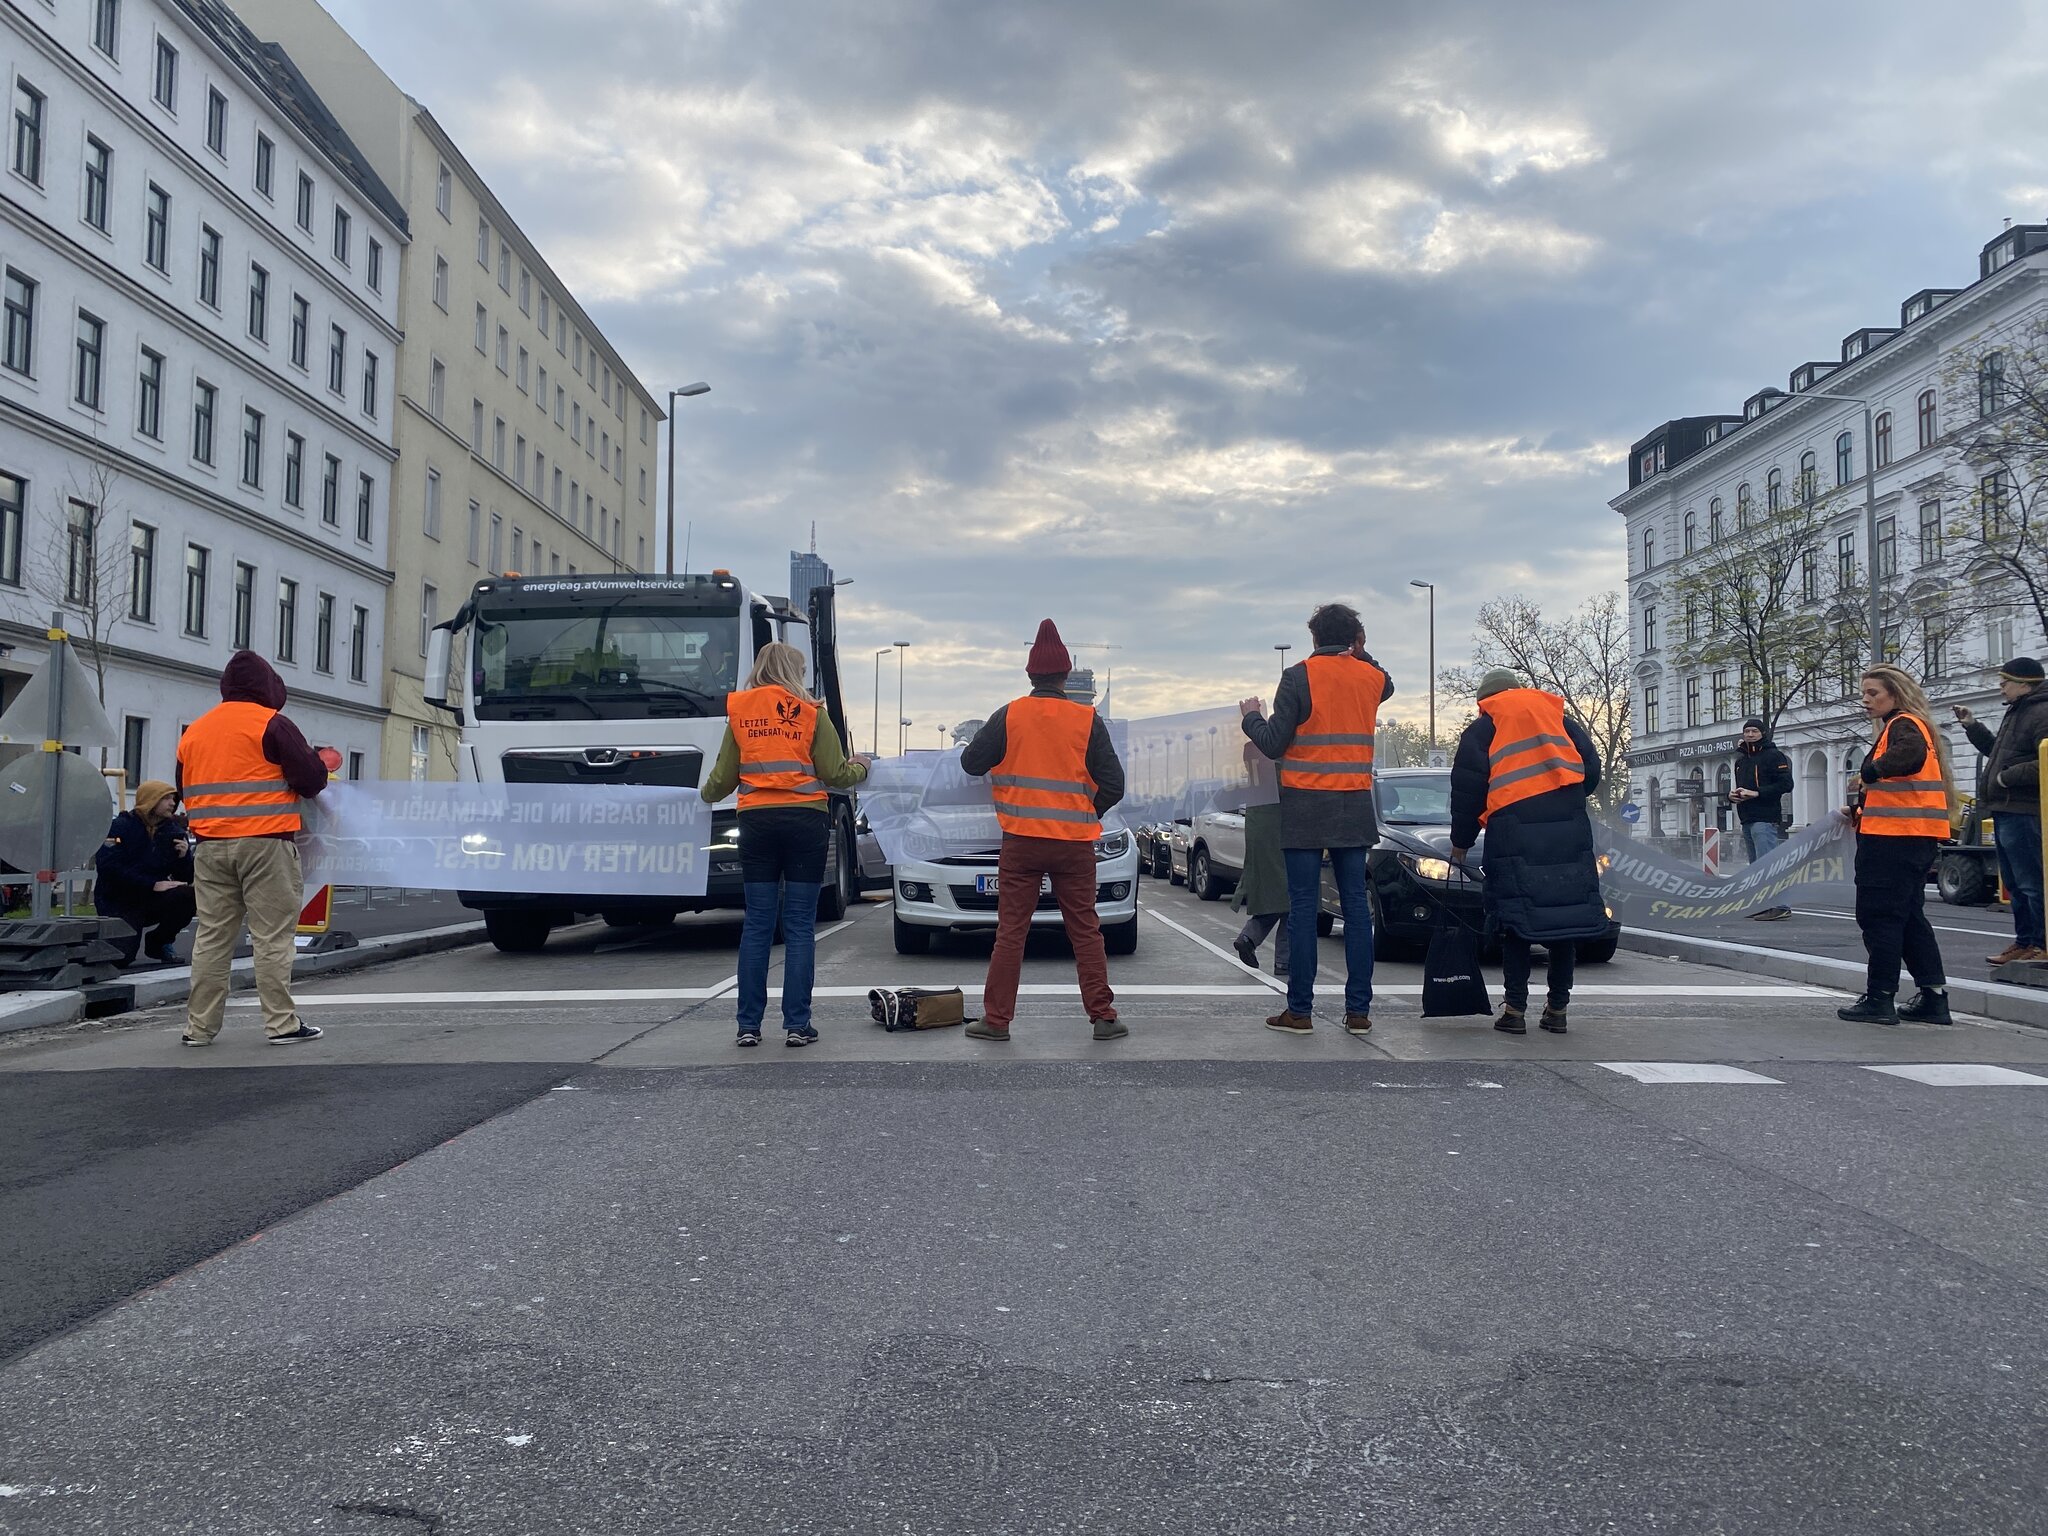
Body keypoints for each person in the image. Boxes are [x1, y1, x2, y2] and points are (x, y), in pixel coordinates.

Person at [961, 620, 1127, 1043]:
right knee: (1085, 930)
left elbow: (971, 763)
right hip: (1074, 846)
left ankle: (996, 1020)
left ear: (1031, 675)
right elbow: (1115, 784)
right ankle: (1103, 1017)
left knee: (1011, 931)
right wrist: (1086, 811)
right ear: (1066, 675)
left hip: (1022, 843)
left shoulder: (1011, 714)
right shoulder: (1087, 720)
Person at [700, 641, 870, 1046]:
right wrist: (861, 766)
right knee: (798, 926)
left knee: (758, 924)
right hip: (804, 823)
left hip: (756, 823)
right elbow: (834, 774)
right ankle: (797, 1025)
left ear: (759, 668)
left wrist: (702, 794)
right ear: (795, 672)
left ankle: (748, 1026)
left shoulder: (740, 711)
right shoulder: (812, 712)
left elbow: (722, 780)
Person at [1240, 602, 1394, 1036]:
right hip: (1354, 805)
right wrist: (1362, 653)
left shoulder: (1298, 676)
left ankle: (1301, 1011)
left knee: (1305, 909)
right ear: (1355, 639)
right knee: (1356, 913)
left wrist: (1250, 717)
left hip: (1307, 804)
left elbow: (1272, 743)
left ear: (1313, 638)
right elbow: (1387, 680)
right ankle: (1359, 1011)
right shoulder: (1373, 678)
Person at [176, 652, 333, 1046]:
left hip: (210, 848)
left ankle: (199, 1028)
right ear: (268, 686)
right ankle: (281, 1024)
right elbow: (312, 780)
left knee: (212, 937)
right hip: (266, 845)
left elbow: (183, 789)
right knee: (272, 937)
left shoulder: (194, 731)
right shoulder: (272, 724)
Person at [1448, 669, 1605, 1035]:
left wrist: (1462, 842)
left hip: (1511, 833)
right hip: (1568, 831)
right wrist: (1565, 797)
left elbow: (1467, 793)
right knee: (1564, 920)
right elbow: (1591, 769)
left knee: (1515, 921)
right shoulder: (1559, 719)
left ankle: (1515, 1010)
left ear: (1485, 700)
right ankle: (1558, 1009)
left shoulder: (1484, 728)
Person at [1839, 664, 1956, 1026]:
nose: (1865, 700)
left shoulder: (1903, 725)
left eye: (1873, 693)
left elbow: (1909, 757)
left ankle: (1880, 998)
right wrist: (1858, 807)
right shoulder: (1914, 725)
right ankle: (1933, 998)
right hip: (1913, 837)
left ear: (1896, 693)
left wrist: (1869, 772)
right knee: (1908, 919)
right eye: (1863, 693)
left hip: (1892, 839)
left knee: (1880, 917)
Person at [1954, 656, 2047, 965]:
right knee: (2016, 882)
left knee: (2032, 882)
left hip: (2025, 810)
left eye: (2005, 682)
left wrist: (2005, 777)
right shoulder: (2018, 712)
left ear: (2024, 684)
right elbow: (1998, 752)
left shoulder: (2041, 712)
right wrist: (1972, 726)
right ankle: (2024, 942)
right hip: (2007, 809)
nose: (2000, 688)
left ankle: (2040, 944)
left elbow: (2042, 761)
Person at [93, 780, 195, 966]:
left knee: (188, 896)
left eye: (174, 798)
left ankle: (159, 942)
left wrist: (183, 857)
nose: (173, 803)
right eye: (166, 798)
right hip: (120, 901)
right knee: (120, 959)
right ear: (150, 800)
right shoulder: (120, 827)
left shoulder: (174, 832)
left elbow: (186, 878)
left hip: (151, 900)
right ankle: (105, 942)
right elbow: (108, 867)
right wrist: (151, 884)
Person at [1230, 745, 1289, 976]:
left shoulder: (1254, 753)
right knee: (1293, 899)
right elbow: (1288, 787)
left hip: (1262, 831)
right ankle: (1284, 960)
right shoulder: (1279, 758)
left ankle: (1249, 937)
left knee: (1277, 895)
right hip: (1280, 831)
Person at [1732, 717, 1795, 920]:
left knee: (1769, 864)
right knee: (1756, 868)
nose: (1750, 735)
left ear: (1762, 734)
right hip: (1746, 817)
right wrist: (1732, 796)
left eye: (1754, 731)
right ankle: (1761, 904)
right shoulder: (1741, 761)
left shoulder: (1774, 756)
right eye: (1747, 731)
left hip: (1765, 817)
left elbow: (1786, 784)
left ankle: (1781, 905)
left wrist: (1757, 793)